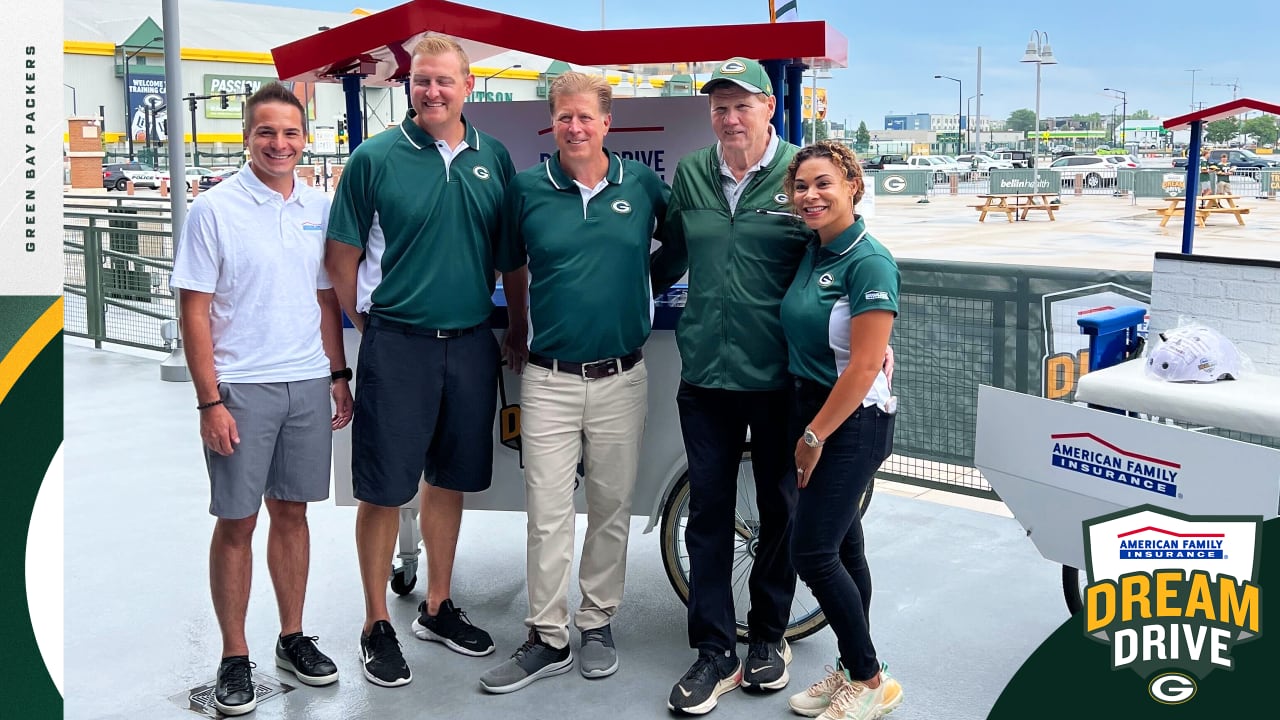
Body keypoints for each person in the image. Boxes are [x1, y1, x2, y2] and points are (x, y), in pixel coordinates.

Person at [324, 35, 528, 688]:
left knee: (449, 478)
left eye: (443, 81)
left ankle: (437, 606)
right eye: (420, 82)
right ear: (407, 87)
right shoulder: (374, 159)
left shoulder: (492, 157)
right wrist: (373, 328)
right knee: (384, 487)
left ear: (469, 85)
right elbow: (341, 260)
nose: (431, 92)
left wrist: (517, 325)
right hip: (399, 345)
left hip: (470, 343)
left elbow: (511, 258)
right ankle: (375, 622)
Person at [478, 70, 671, 694]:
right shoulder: (529, 188)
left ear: (607, 122)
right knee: (547, 513)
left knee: (611, 508)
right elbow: (511, 264)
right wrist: (515, 325)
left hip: (621, 376)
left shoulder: (639, 183)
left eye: (586, 117)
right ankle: (547, 635)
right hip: (548, 379)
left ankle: (597, 622)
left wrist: (642, 285)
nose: (575, 127)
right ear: (551, 123)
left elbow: (681, 244)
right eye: (565, 117)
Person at [171, 82, 352, 716]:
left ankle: (292, 637)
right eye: (266, 132)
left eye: (291, 133)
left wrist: (337, 374)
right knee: (237, 522)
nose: (279, 144)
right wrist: (209, 401)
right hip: (240, 390)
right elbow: (193, 310)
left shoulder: (320, 206)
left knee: (294, 514)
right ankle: (233, 655)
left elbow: (327, 296)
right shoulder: (214, 210)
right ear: (247, 136)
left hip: (306, 382)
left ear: (307, 139)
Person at [650, 57, 813, 715]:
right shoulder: (692, 171)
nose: (729, 117)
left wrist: (872, 336)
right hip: (708, 375)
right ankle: (714, 651)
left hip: (779, 378)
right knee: (708, 516)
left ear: (768, 107)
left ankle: (769, 637)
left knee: (780, 510)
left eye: (741, 104)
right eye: (719, 106)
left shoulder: (803, 173)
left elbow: (836, 256)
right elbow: (672, 256)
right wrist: (614, 304)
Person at [779, 141, 904, 720]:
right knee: (846, 546)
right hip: (817, 412)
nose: (811, 195)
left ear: (853, 185)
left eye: (824, 183)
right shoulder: (816, 249)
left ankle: (870, 678)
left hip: (850, 423)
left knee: (814, 552)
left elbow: (861, 367)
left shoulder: (869, 261)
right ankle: (854, 666)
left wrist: (813, 437)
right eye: (801, 186)